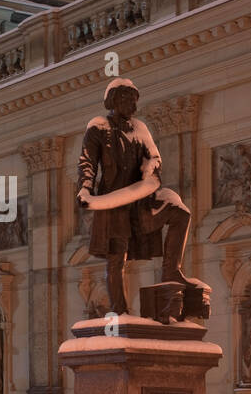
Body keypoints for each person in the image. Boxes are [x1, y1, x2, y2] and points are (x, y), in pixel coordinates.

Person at [77, 77, 192, 315]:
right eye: (129, 100)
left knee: (180, 213)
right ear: (115, 100)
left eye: (135, 100)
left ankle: (171, 270)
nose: (134, 106)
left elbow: (154, 157)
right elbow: (87, 162)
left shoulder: (140, 128)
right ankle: (120, 312)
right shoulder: (98, 127)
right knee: (117, 257)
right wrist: (85, 188)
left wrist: (151, 169)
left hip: (141, 201)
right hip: (114, 203)